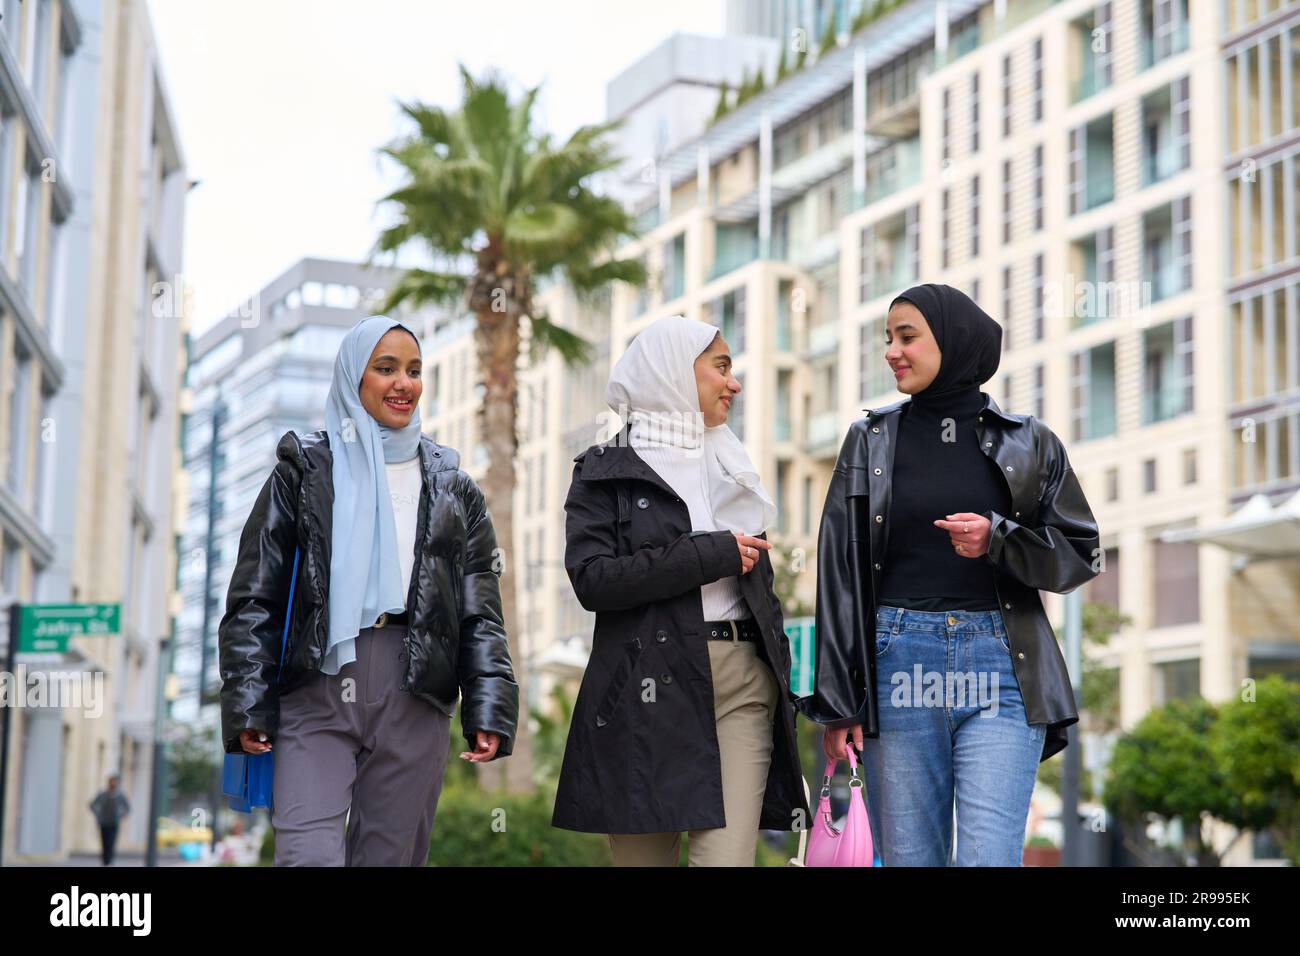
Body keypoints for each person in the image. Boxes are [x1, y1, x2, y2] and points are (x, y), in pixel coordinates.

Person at [799, 283, 1101, 866]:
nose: (892, 351)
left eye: (907, 336)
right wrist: (840, 703)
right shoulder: (869, 440)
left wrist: (1001, 540)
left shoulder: (1030, 440)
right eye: (888, 339)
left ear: (953, 342)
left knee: (989, 860)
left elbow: (1080, 552)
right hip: (896, 663)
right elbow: (838, 571)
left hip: (1002, 666)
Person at [219, 314, 518, 866]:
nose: (404, 383)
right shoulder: (304, 469)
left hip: (417, 685)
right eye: (386, 369)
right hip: (317, 681)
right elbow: (255, 595)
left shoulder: (452, 484)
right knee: (307, 856)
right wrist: (246, 702)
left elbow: (479, 611)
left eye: (413, 370)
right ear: (354, 377)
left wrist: (490, 707)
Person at [551, 314, 808, 866]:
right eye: (720, 367)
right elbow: (593, 579)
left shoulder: (733, 462)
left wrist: (787, 682)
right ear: (672, 372)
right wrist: (705, 553)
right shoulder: (604, 471)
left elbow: (764, 594)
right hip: (645, 688)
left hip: (743, 682)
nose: (733, 383)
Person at [89, 774, 130, 865]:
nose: (113, 784)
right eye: (111, 782)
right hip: (104, 823)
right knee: (104, 842)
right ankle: (105, 861)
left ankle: (109, 860)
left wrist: (121, 815)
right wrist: (98, 814)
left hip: (114, 823)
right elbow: (92, 805)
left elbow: (127, 808)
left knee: (111, 842)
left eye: (115, 782)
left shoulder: (120, 796)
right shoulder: (103, 794)